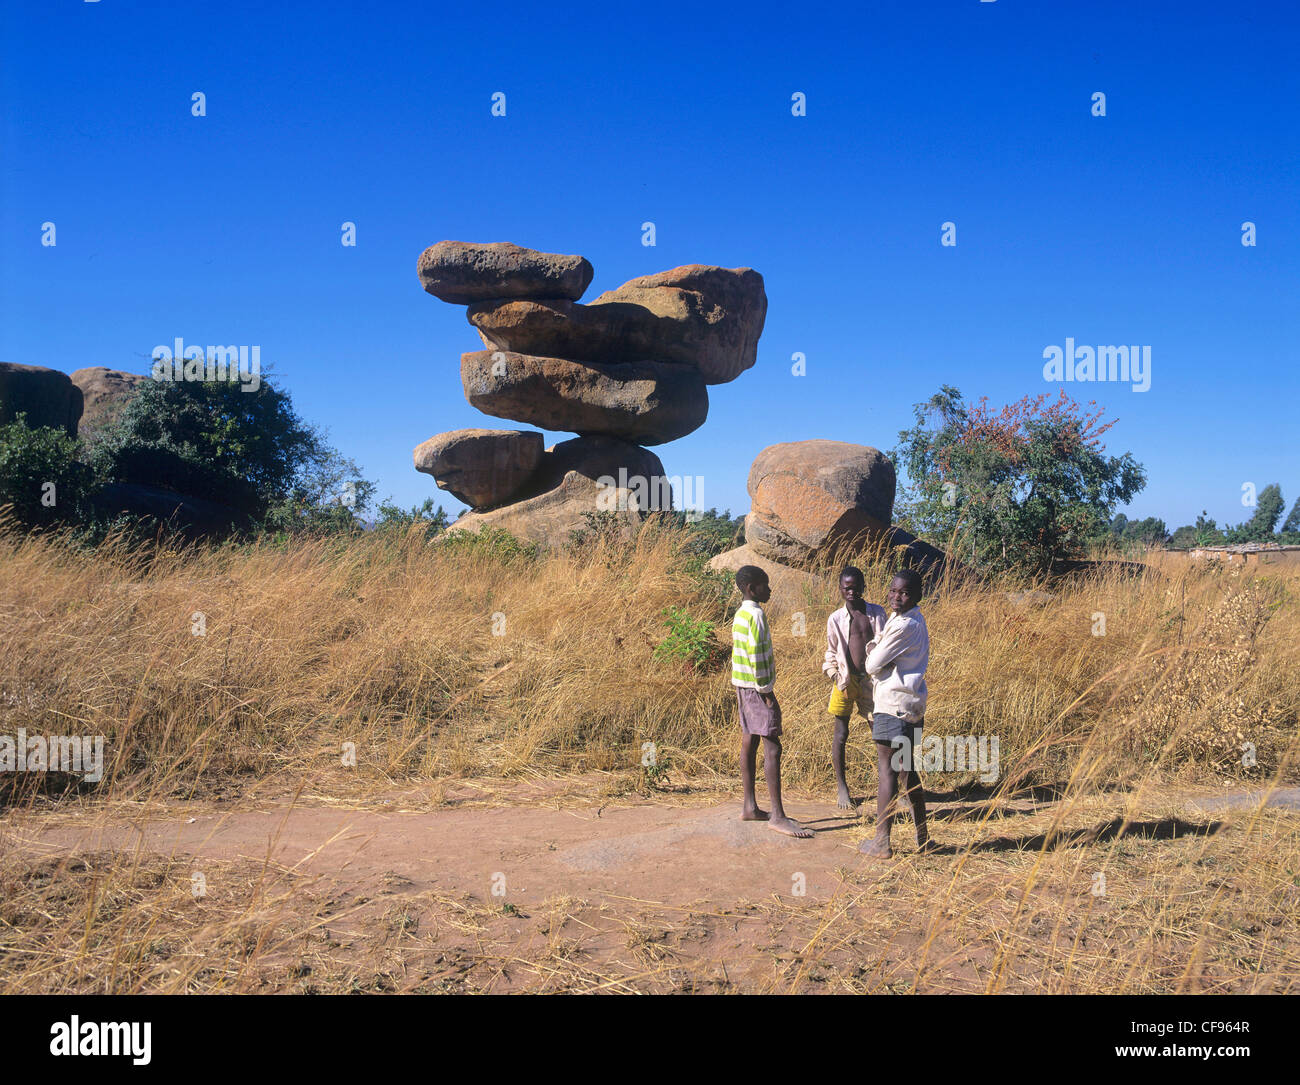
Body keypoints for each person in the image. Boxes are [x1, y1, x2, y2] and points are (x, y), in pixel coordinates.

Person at [732, 564, 813, 838]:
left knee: (750, 739)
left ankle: (749, 805)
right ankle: (777, 816)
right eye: (765, 585)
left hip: (743, 686)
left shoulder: (741, 613)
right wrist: (767, 693)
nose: (770, 590)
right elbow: (757, 656)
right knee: (772, 746)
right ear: (751, 588)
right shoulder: (756, 615)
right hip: (757, 688)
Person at [859, 569, 934, 858]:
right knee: (906, 772)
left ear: (916, 596)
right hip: (911, 705)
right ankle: (923, 838)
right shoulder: (910, 619)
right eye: (893, 590)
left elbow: (872, 665)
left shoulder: (903, 625)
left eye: (903, 593)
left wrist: (875, 650)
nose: (895, 596)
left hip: (893, 706)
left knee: (888, 771)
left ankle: (882, 842)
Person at [823, 566, 888, 810]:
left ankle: (890, 788)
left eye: (855, 587)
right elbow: (831, 651)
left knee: (881, 735)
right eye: (846, 587)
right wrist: (833, 674)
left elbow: (886, 644)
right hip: (845, 681)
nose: (851, 592)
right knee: (840, 734)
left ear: (864, 587)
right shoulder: (835, 619)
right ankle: (842, 787)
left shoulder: (877, 614)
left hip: (872, 682)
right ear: (840, 589)